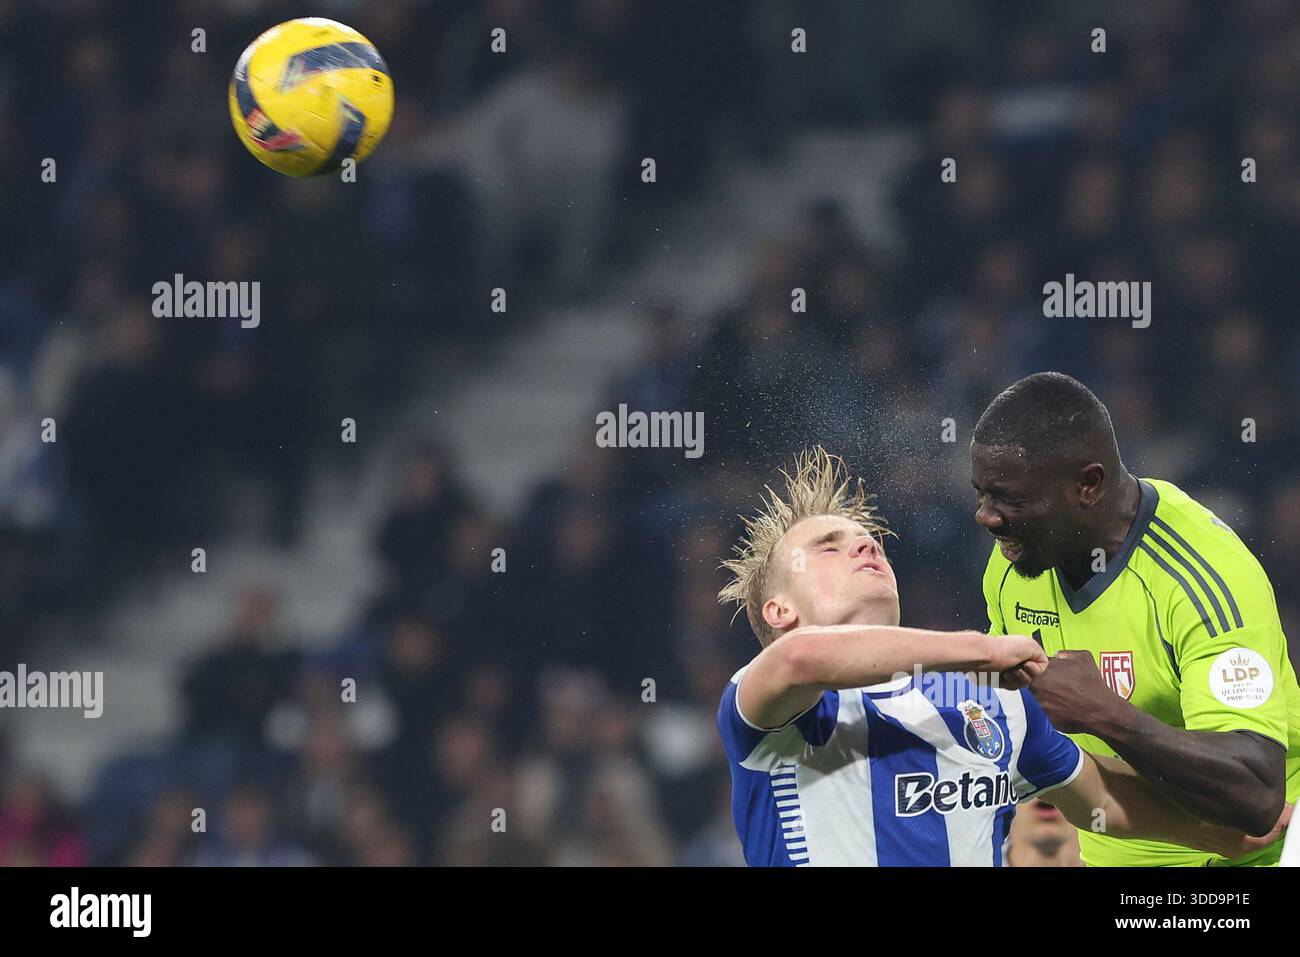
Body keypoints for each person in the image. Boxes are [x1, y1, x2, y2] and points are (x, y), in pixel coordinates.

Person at [715, 447, 1285, 866]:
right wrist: (981, 648)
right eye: (828, 546)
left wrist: (1215, 835)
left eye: (868, 539)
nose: (864, 544)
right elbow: (802, 660)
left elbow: (1096, 802)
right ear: (778, 611)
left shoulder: (992, 703)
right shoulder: (771, 712)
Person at [973, 372, 1300, 865]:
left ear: (1088, 484)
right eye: (982, 494)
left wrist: (1106, 713)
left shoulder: (1202, 577)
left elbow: (1256, 794)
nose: (987, 516)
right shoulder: (1015, 563)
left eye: (1009, 500)